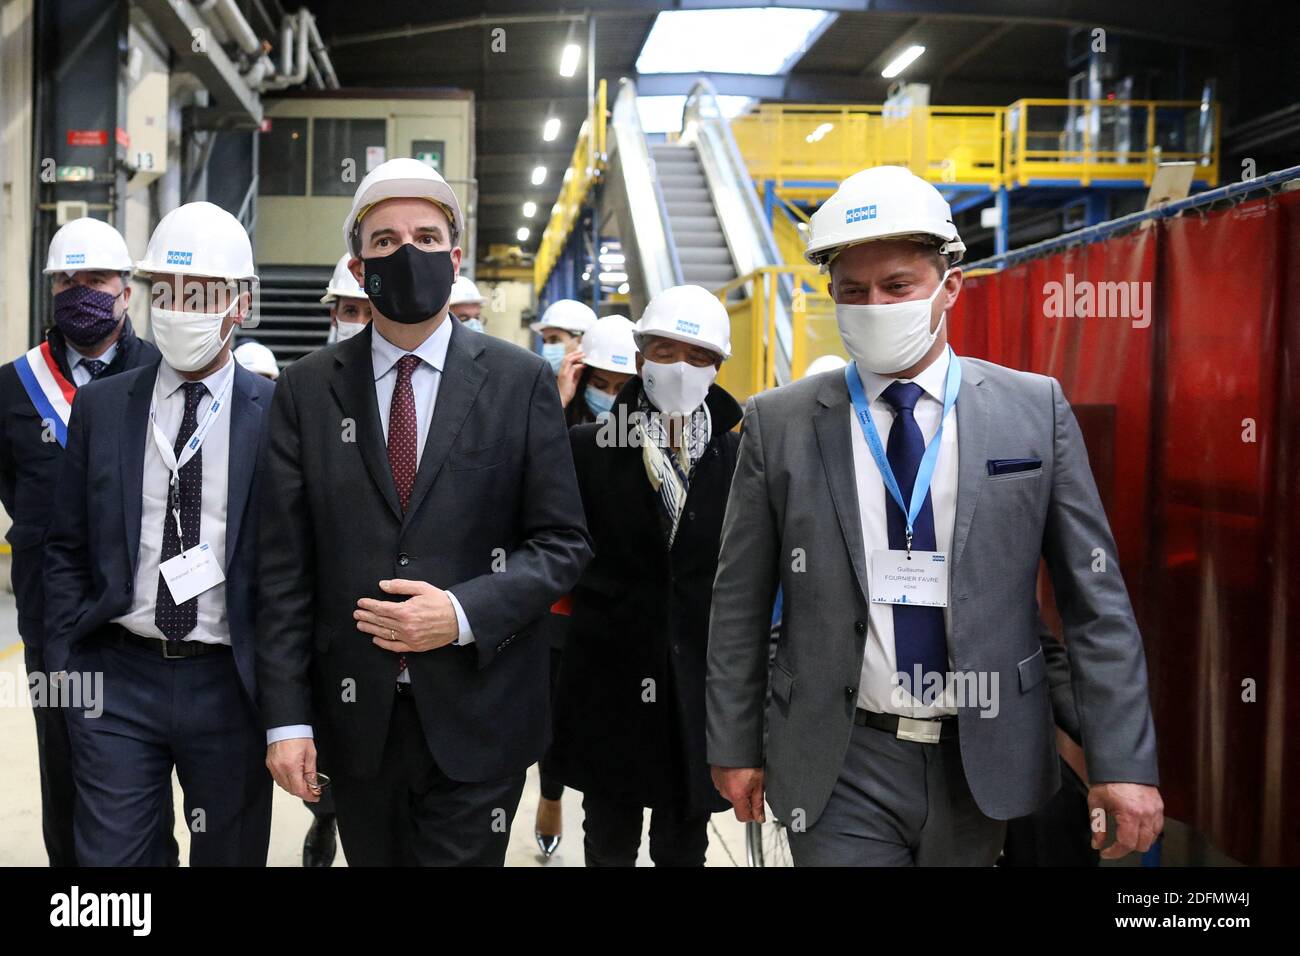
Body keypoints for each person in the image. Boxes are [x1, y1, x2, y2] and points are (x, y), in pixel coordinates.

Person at [707, 165, 1163, 866]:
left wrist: (1122, 758)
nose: (874, 305)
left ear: (950, 285)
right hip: (841, 753)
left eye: (897, 286)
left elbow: (1094, 599)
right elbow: (738, 603)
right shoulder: (781, 423)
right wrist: (734, 745)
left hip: (984, 751)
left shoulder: (1031, 411)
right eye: (852, 291)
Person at [256, 157, 592, 867]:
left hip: (481, 710)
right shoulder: (306, 392)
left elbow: (562, 543)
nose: (406, 252)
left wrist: (462, 614)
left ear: (456, 255)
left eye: (426, 236)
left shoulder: (519, 381)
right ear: (357, 267)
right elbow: (284, 569)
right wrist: (286, 717)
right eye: (383, 241)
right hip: (356, 723)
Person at [43, 201, 275, 866]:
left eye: (200, 293)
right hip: (119, 679)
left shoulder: (278, 415)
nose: (179, 307)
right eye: (166, 291)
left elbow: (296, 571)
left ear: (239, 303)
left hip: (230, 686)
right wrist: (69, 662)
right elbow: (64, 546)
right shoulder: (104, 406)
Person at [550, 285, 741, 866]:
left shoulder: (739, 460)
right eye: (663, 350)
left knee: (685, 846)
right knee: (608, 840)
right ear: (639, 359)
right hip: (608, 683)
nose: (680, 367)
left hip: (697, 691)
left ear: (718, 367)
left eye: (698, 355)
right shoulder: (586, 449)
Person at [0, 217, 165, 867]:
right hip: (53, 623)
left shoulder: (164, 371)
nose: (80, 290)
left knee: (144, 776)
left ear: (125, 290)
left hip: (148, 615)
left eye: (95, 278)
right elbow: (13, 482)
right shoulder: (13, 386)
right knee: (63, 768)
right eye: (67, 279)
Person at [563, 314, 638, 428]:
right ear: (582, 379)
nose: (609, 396)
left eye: (621, 389)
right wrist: (561, 401)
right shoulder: (563, 419)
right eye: (600, 385)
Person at [531, 299, 595, 410]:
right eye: (545, 341)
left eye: (555, 340)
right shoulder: (542, 385)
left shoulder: (596, 388)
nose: (547, 348)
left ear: (582, 342)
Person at [321, 253, 373, 345]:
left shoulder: (405, 359)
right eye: (351, 311)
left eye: (371, 313)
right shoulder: (318, 360)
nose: (359, 324)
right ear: (334, 317)